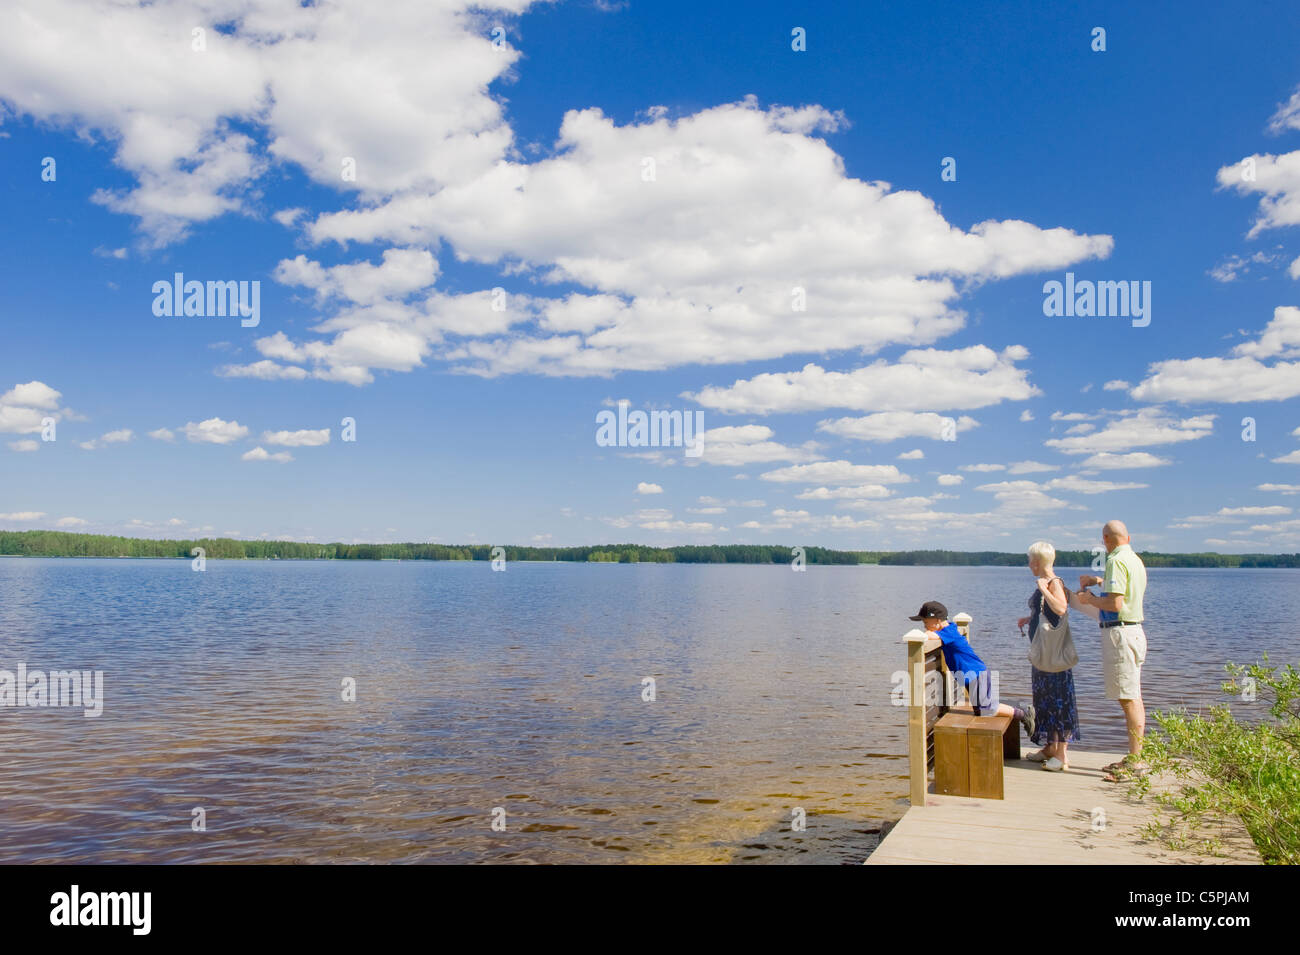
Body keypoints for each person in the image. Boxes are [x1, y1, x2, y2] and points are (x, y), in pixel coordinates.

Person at [1074, 520, 1148, 781]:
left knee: (1128, 699)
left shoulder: (1115, 560)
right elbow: (1123, 590)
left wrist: (1089, 599)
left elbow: (1116, 603)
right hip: (1134, 632)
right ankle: (1135, 756)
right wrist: (1098, 580)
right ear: (1128, 537)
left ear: (1105, 539)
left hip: (1120, 633)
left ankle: (1136, 763)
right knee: (1132, 695)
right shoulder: (1134, 559)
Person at [909, 600, 1035, 736]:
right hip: (973, 675)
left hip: (976, 674)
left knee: (986, 709)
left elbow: (931, 635)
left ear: (938, 621)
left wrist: (922, 635)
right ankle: (1020, 710)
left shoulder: (949, 632)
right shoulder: (948, 629)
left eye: (926, 623)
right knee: (981, 709)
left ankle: (1023, 713)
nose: (925, 627)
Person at [1016, 541, 1078, 772]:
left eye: (1031, 560)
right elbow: (1047, 613)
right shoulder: (1047, 582)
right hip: (1044, 656)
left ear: (1037, 562)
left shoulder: (1053, 582)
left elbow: (1061, 608)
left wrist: (1043, 589)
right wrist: (1029, 618)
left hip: (1053, 658)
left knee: (1058, 702)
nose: (1029, 564)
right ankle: (1050, 748)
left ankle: (1062, 755)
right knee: (1044, 700)